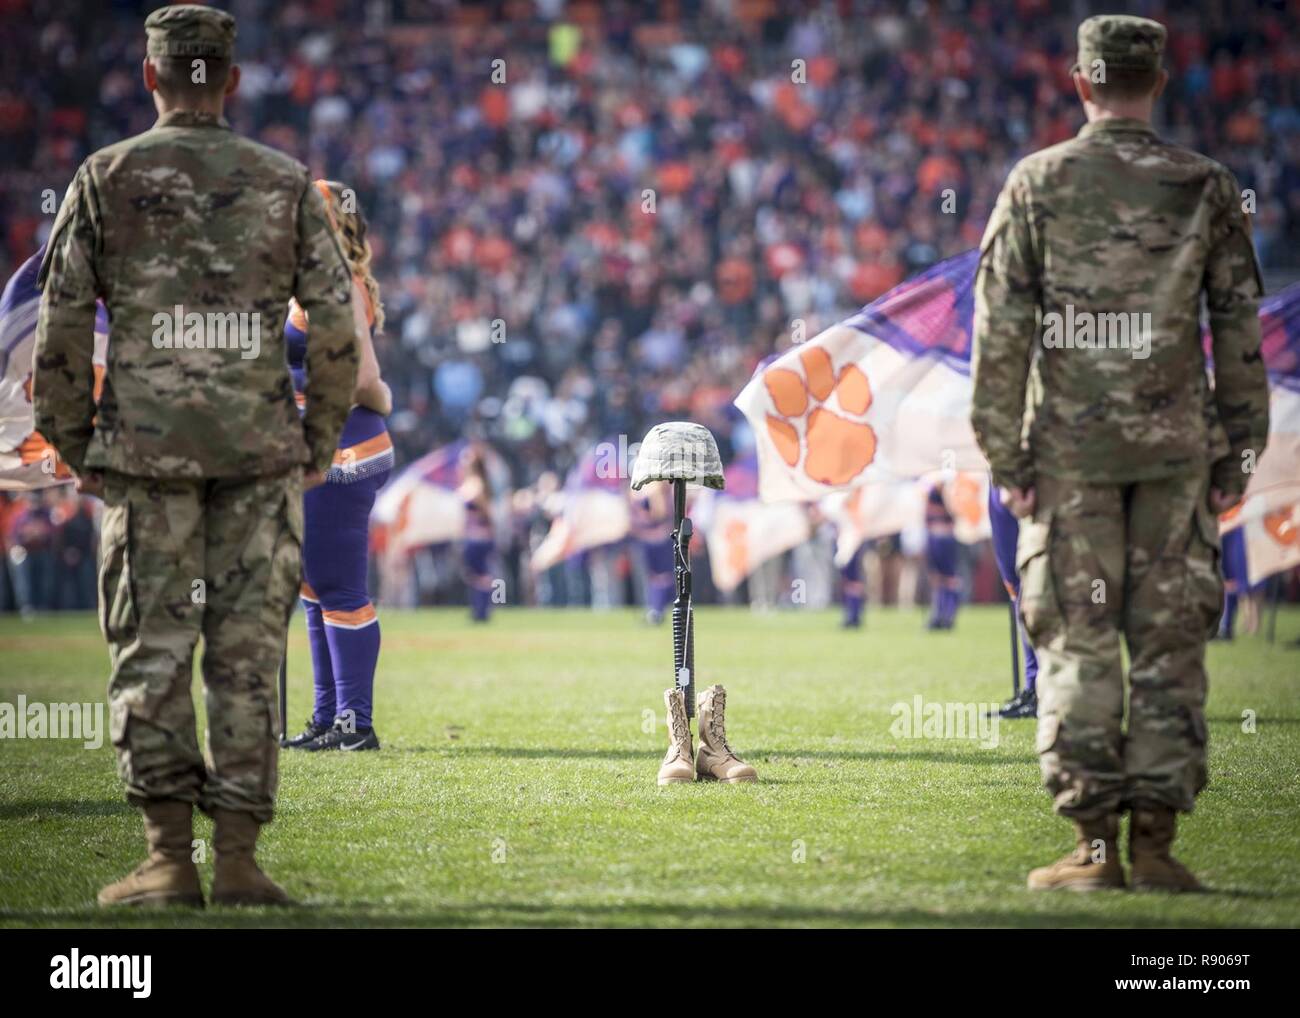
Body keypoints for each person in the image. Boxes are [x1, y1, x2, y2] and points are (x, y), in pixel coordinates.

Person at [34, 4, 357, 907]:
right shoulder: (285, 182)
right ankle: (244, 861)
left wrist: (73, 441)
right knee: (249, 658)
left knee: (152, 652)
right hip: (260, 457)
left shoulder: (104, 179)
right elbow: (338, 323)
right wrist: (319, 441)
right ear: (234, 79)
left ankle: (169, 858)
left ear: (152, 77)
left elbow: (58, 329)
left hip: (144, 459)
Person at [971, 15, 1270, 892]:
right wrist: (1236, 455)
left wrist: (1006, 456)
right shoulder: (1207, 186)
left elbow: (999, 339)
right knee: (1173, 649)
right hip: (1179, 457)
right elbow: (1240, 333)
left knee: (1079, 644)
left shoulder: (1037, 183)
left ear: (1080, 81)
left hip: (1070, 460)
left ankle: (1093, 851)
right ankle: (1160, 850)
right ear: (1160, 81)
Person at [283, 181, 393, 753]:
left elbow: (363, 377)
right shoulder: (311, 281)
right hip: (317, 451)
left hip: (343, 452)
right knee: (313, 585)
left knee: (339, 586)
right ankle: (328, 717)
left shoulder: (340, 284)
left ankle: (356, 722)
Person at [988, 480, 1039, 719]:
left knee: (1031, 584)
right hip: (1001, 479)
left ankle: (1039, 686)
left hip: (1023, 481)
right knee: (1015, 584)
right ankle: (1032, 687)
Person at [459, 444, 496, 622]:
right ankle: (479, 610)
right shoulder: (469, 482)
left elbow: (486, 511)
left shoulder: (477, 484)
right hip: (472, 535)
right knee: (475, 574)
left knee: (480, 574)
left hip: (478, 536)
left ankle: (482, 610)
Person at [924, 483, 960, 630]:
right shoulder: (931, 487)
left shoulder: (951, 487)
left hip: (945, 537)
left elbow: (955, 511)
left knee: (949, 578)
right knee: (937, 578)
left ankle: (948, 614)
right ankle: (938, 614)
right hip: (934, 537)